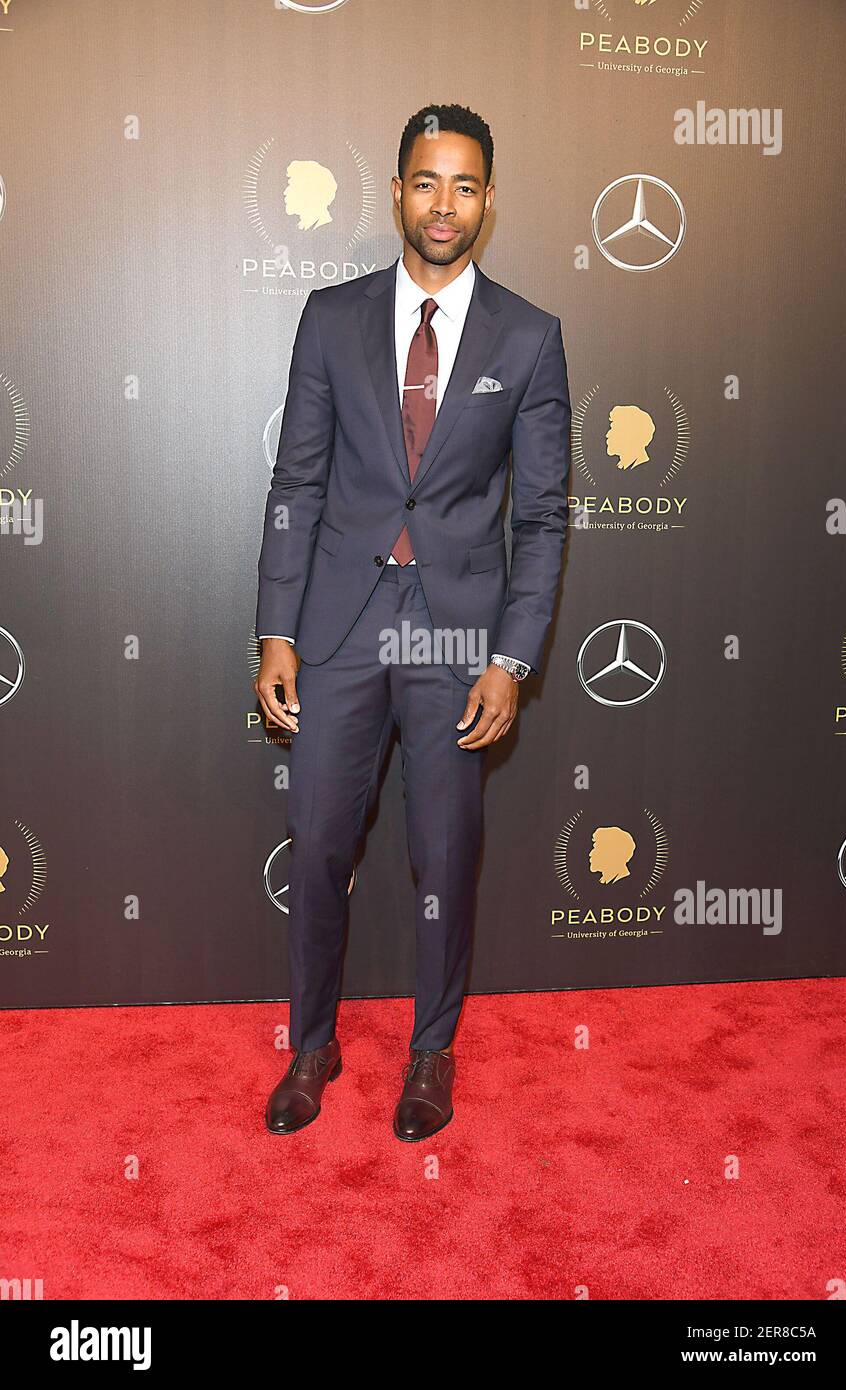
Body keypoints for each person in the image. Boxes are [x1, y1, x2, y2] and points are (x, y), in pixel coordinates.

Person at [255, 103, 571, 1141]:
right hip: (341, 625)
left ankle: (430, 1052)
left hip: (456, 634)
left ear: (487, 199)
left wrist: (511, 657)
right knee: (316, 849)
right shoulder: (330, 316)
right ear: (394, 191)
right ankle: (312, 1041)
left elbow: (542, 513)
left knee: (444, 852)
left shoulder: (528, 337)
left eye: (464, 185)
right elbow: (296, 479)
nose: (444, 204)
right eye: (426, 182)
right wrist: (275, 629)